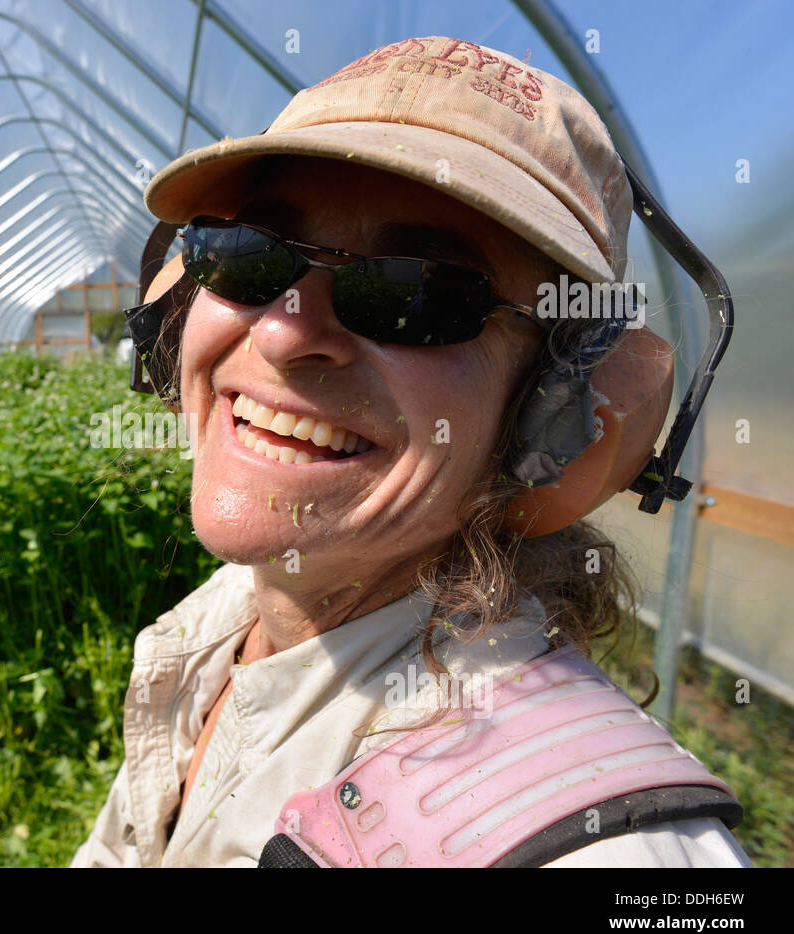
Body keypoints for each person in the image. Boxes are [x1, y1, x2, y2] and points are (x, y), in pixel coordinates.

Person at [70, 35, 751, 868]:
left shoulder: (601, 850)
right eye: (244, 254)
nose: (284, 332)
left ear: (550, 412)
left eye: (414, 291)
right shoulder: (226, 626)